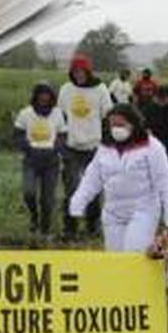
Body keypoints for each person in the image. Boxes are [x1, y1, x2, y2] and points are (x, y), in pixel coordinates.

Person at [68, 104, 168, 252]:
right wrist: (78, 202)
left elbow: (165, 181)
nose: (116, 129)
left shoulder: (152, 147)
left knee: (134, 251)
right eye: (113, 125)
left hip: (143, 209)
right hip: (113, 212)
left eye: (121, 125)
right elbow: (92, 178)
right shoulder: (105, 148)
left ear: (133, 124)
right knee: (116, 258)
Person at [57, 54, 113, 239]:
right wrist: (61, 143)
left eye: (82, 71)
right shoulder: (66, 89)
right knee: (71, 189)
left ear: (88, 72)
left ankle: (92, 226)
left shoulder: (100, 89)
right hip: (71, 147)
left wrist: (107, 142)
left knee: (93, 189)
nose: (79, 75)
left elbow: (108, 117)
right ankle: (70, 228)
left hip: (94, 147)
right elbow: (60, 116)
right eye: (75, 72)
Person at [13, 82, 66, 235]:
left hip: (51, 161)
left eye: (47, 94)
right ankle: (34, 216)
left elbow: (62, 135)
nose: (44, 97)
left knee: (48, 199)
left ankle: (45, 228)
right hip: (31, 160)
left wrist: (56, 148)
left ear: (52, 97)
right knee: (29, 192)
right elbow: (17, 134)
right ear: (35, 96)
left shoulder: (57, 114)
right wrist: (27, 147)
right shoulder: (25, 113)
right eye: (41, 94)